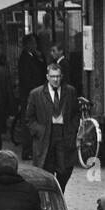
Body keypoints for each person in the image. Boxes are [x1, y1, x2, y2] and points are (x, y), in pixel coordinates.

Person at [26, 62, 79, 190]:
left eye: (58, 76)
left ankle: (59, 195)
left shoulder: (70, 91)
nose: (56, 79)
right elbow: (29, 118)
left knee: (64, 170)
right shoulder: (36, 94)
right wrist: (39, 131)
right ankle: (48, 200)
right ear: (47, 77)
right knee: (45, 171)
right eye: (53, 76)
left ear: (62, 77)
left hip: (64, 135)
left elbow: (75, 114)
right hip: (45, 137)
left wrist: (72, 131)